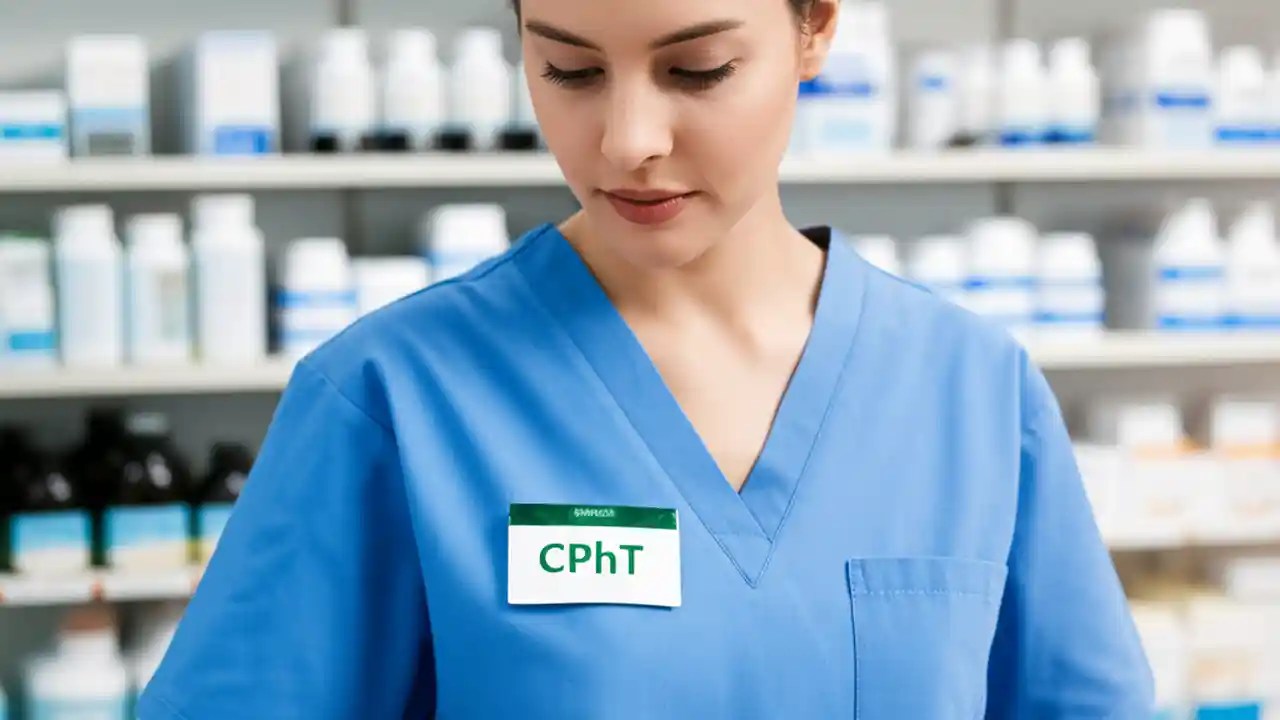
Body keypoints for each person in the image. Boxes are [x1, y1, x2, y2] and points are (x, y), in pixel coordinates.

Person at [139, 0, 1154, 717]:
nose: (625, 140)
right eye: (569, 70)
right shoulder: (392, 399)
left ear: (815, 29)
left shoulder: (968, 393)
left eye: (696, 69)